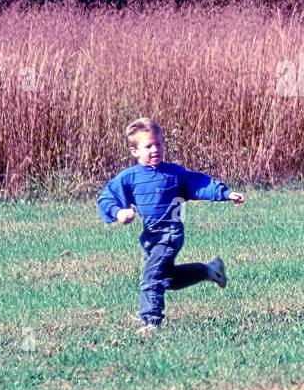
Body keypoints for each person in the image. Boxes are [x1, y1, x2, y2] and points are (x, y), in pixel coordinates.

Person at [97, 118, 244, 334]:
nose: (155, 149)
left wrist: (225, 193)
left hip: (170, 234)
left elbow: (199, 184)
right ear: (134, 151)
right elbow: (106, 197)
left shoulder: (174, 174)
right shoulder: (129, 178)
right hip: (151, 237)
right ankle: (209, 271)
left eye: (158, 144)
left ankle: (150, 322)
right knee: (167, 278)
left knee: (151, 278)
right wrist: (119, 212)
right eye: (148, 146)